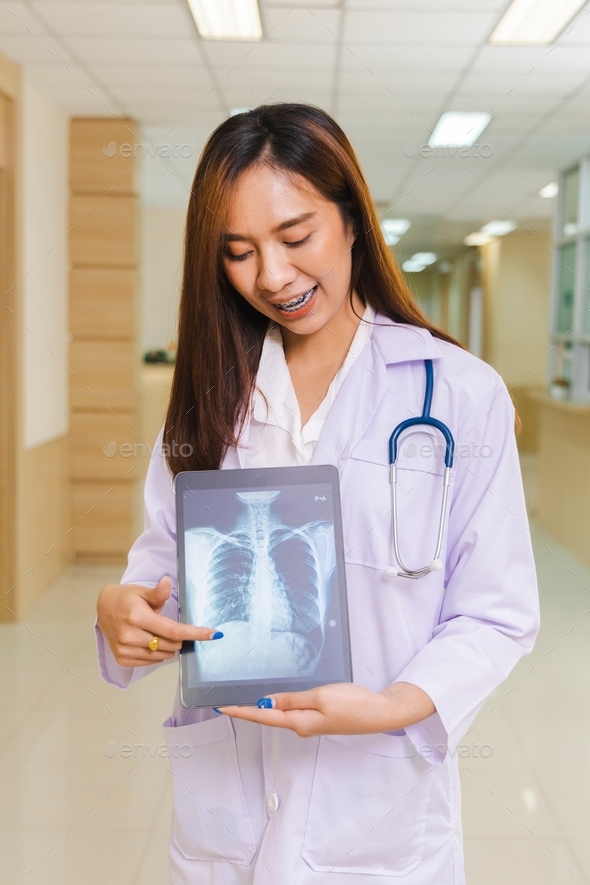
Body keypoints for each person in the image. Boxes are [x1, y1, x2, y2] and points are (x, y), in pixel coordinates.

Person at [96, 103, 539, 884]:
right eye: (238, 252)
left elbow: (498, 611)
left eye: (296, 238)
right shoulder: (208, 397)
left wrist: (397, 703)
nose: (272, 276)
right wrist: (127, 611)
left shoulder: (457, 395)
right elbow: (162, 570)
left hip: (378, 822)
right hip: (226, 826)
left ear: (353, 220)